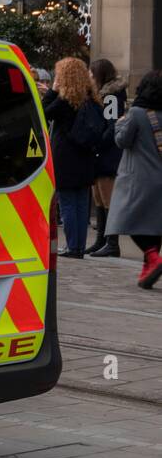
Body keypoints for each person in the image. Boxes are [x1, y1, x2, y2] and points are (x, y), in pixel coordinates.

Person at [105, 70, 162, 288]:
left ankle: (153, 258)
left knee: (127, 221)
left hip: (138, 177)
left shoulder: (137, 113)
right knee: (154, 225)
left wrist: (119, 122)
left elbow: (122, 140)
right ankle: (149, 269)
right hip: (159, 176)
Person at [42, 57, 102, 259]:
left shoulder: (64, 101)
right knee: (81, 203)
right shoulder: (92, 99)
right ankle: (78, 246)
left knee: (67, 203)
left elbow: (43, 113)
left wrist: (52, 90)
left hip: (65, 156)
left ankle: (72, 247)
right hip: (85, 155)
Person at [87, 58, 128, 256]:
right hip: (99, 150)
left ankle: (112, 243)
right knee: (98, 196)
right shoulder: (100, 94)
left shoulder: (112, 95)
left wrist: (98, 142)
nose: (89, 76)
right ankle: (101, 239)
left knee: (107, 196)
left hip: (107, 151)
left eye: (91, 73)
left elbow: (111, 124)